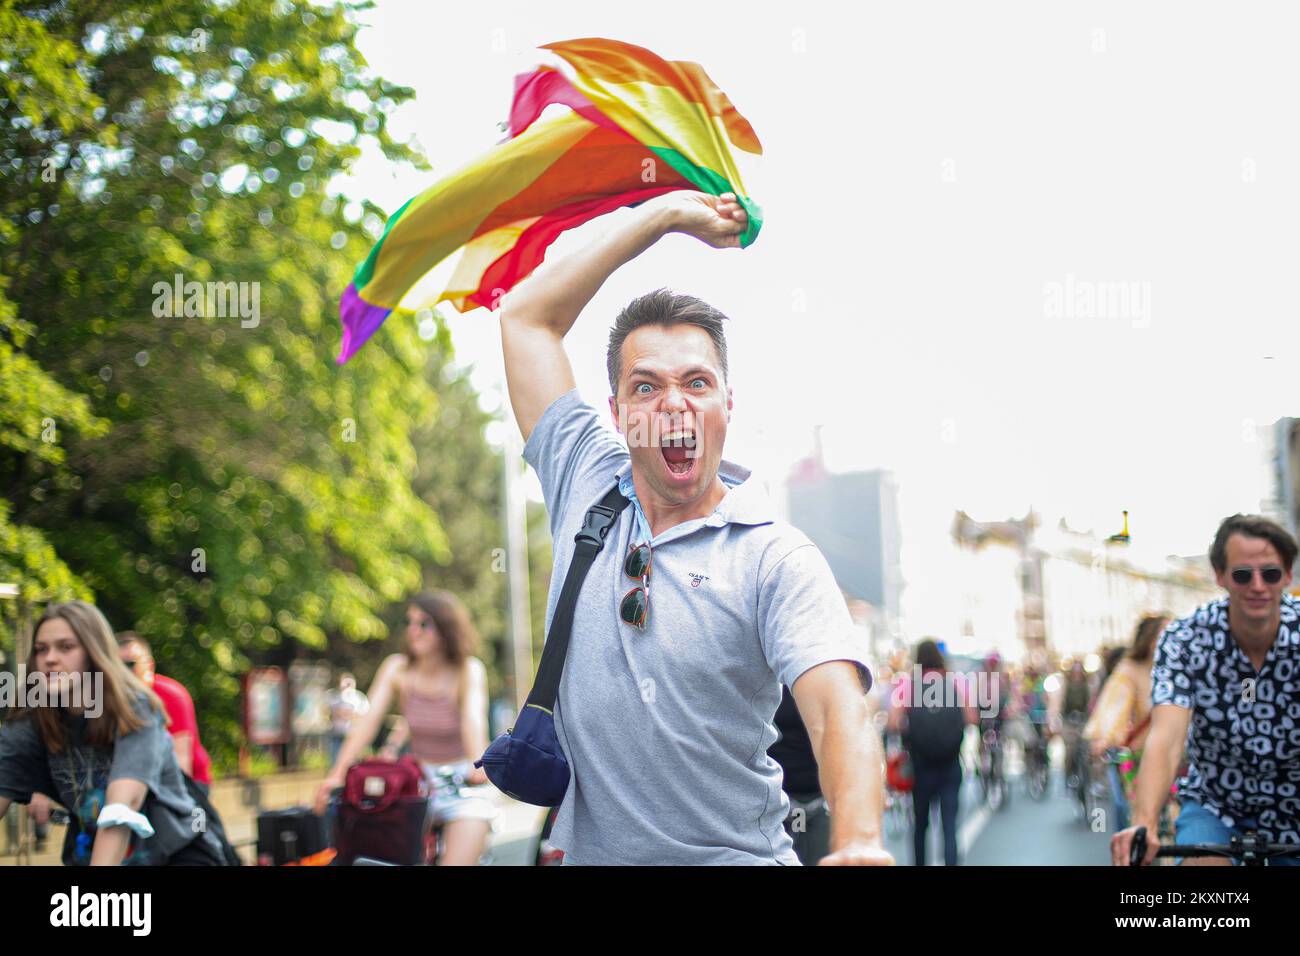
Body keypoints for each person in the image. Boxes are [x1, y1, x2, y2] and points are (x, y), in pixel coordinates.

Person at [497, 189, 891, 865]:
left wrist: (856, 840)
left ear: (726, 406)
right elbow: (526, 318)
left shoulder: (775, 556)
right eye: (646, 387)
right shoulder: (583, 477)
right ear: (617, 414)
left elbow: (835, 712)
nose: (673, 402)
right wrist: (667, 216)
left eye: (696, 382)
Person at [1112, 514, 1300, 866]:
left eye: (1271, 574)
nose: (1258, 585)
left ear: (1287, 576)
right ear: (1221, 575)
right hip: (1216, 804)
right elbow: (1166, 738)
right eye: (1243, 574)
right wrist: (1145, 822)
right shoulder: (1185, 638)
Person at [0, 601, 226, 865]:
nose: (50, 658)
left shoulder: (135, 707)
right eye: (41, 649)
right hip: (91, 851)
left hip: (172, 856)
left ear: (94, 653)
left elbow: (121, 811)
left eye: (66, 647)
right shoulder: (34, 721)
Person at [315, 591, 496, 866]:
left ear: (446, 629)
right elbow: (367, 722)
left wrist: (478, 763)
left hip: (460, 783)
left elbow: (473, 718)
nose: (413, 631)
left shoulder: (467, 670)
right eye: (410, 623)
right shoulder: (397, 668)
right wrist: (338, 773)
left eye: (424, 624)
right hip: (414, 784)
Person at [887, 640, 977, 865]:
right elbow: (971, 718)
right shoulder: (955, 681)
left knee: (920, 825)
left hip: (921, 765)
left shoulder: (909, 684)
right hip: (950, 763)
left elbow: (892, 723)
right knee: (949, 826)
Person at [1084, 614, 1168, 831]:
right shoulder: (1129, 670)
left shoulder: (1185, 668)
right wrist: (1105, 738)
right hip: (1142, 758)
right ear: (1149, 640)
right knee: (1138, 820)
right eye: (1163, 635)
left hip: (1183, 760)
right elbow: (1114, 706)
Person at [116, 632, 212, 794]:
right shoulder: (114, 698)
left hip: (188, 787)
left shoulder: (171, 695)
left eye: (131, 664)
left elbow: (181, 762)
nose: (125, 672)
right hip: (141, 784)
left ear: (150, 665)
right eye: (118, 665)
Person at [767, 685, 830, 864]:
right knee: (799, 853)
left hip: (814, 798)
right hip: (788, 799)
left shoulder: (820, 684)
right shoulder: (773, 687)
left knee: (813, 854)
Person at [325, 673, 369, 766]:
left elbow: (364, 716)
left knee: (353, 761)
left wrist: (344, 714)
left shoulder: (359, 698)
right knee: (335, 760)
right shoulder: (333, 696)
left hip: (352, 734)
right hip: (336, 733)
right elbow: (326, 712)